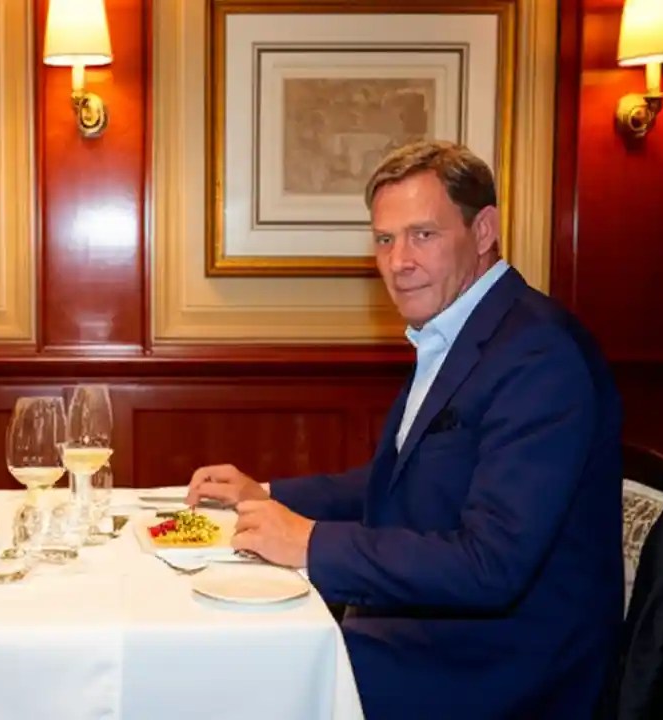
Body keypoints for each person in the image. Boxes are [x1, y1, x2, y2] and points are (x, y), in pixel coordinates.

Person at [186, 140, 623, 719]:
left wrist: (310, 542)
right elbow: (402, 480)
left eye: (423, 235)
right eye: (385, 240)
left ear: (484, 229)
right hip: (440, 636)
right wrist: (266, 495)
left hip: (501, 672)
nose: (398, 262)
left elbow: (491, 565)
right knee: (231, 649)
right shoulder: (466, 328)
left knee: (235, 676)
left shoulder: (538, 353)